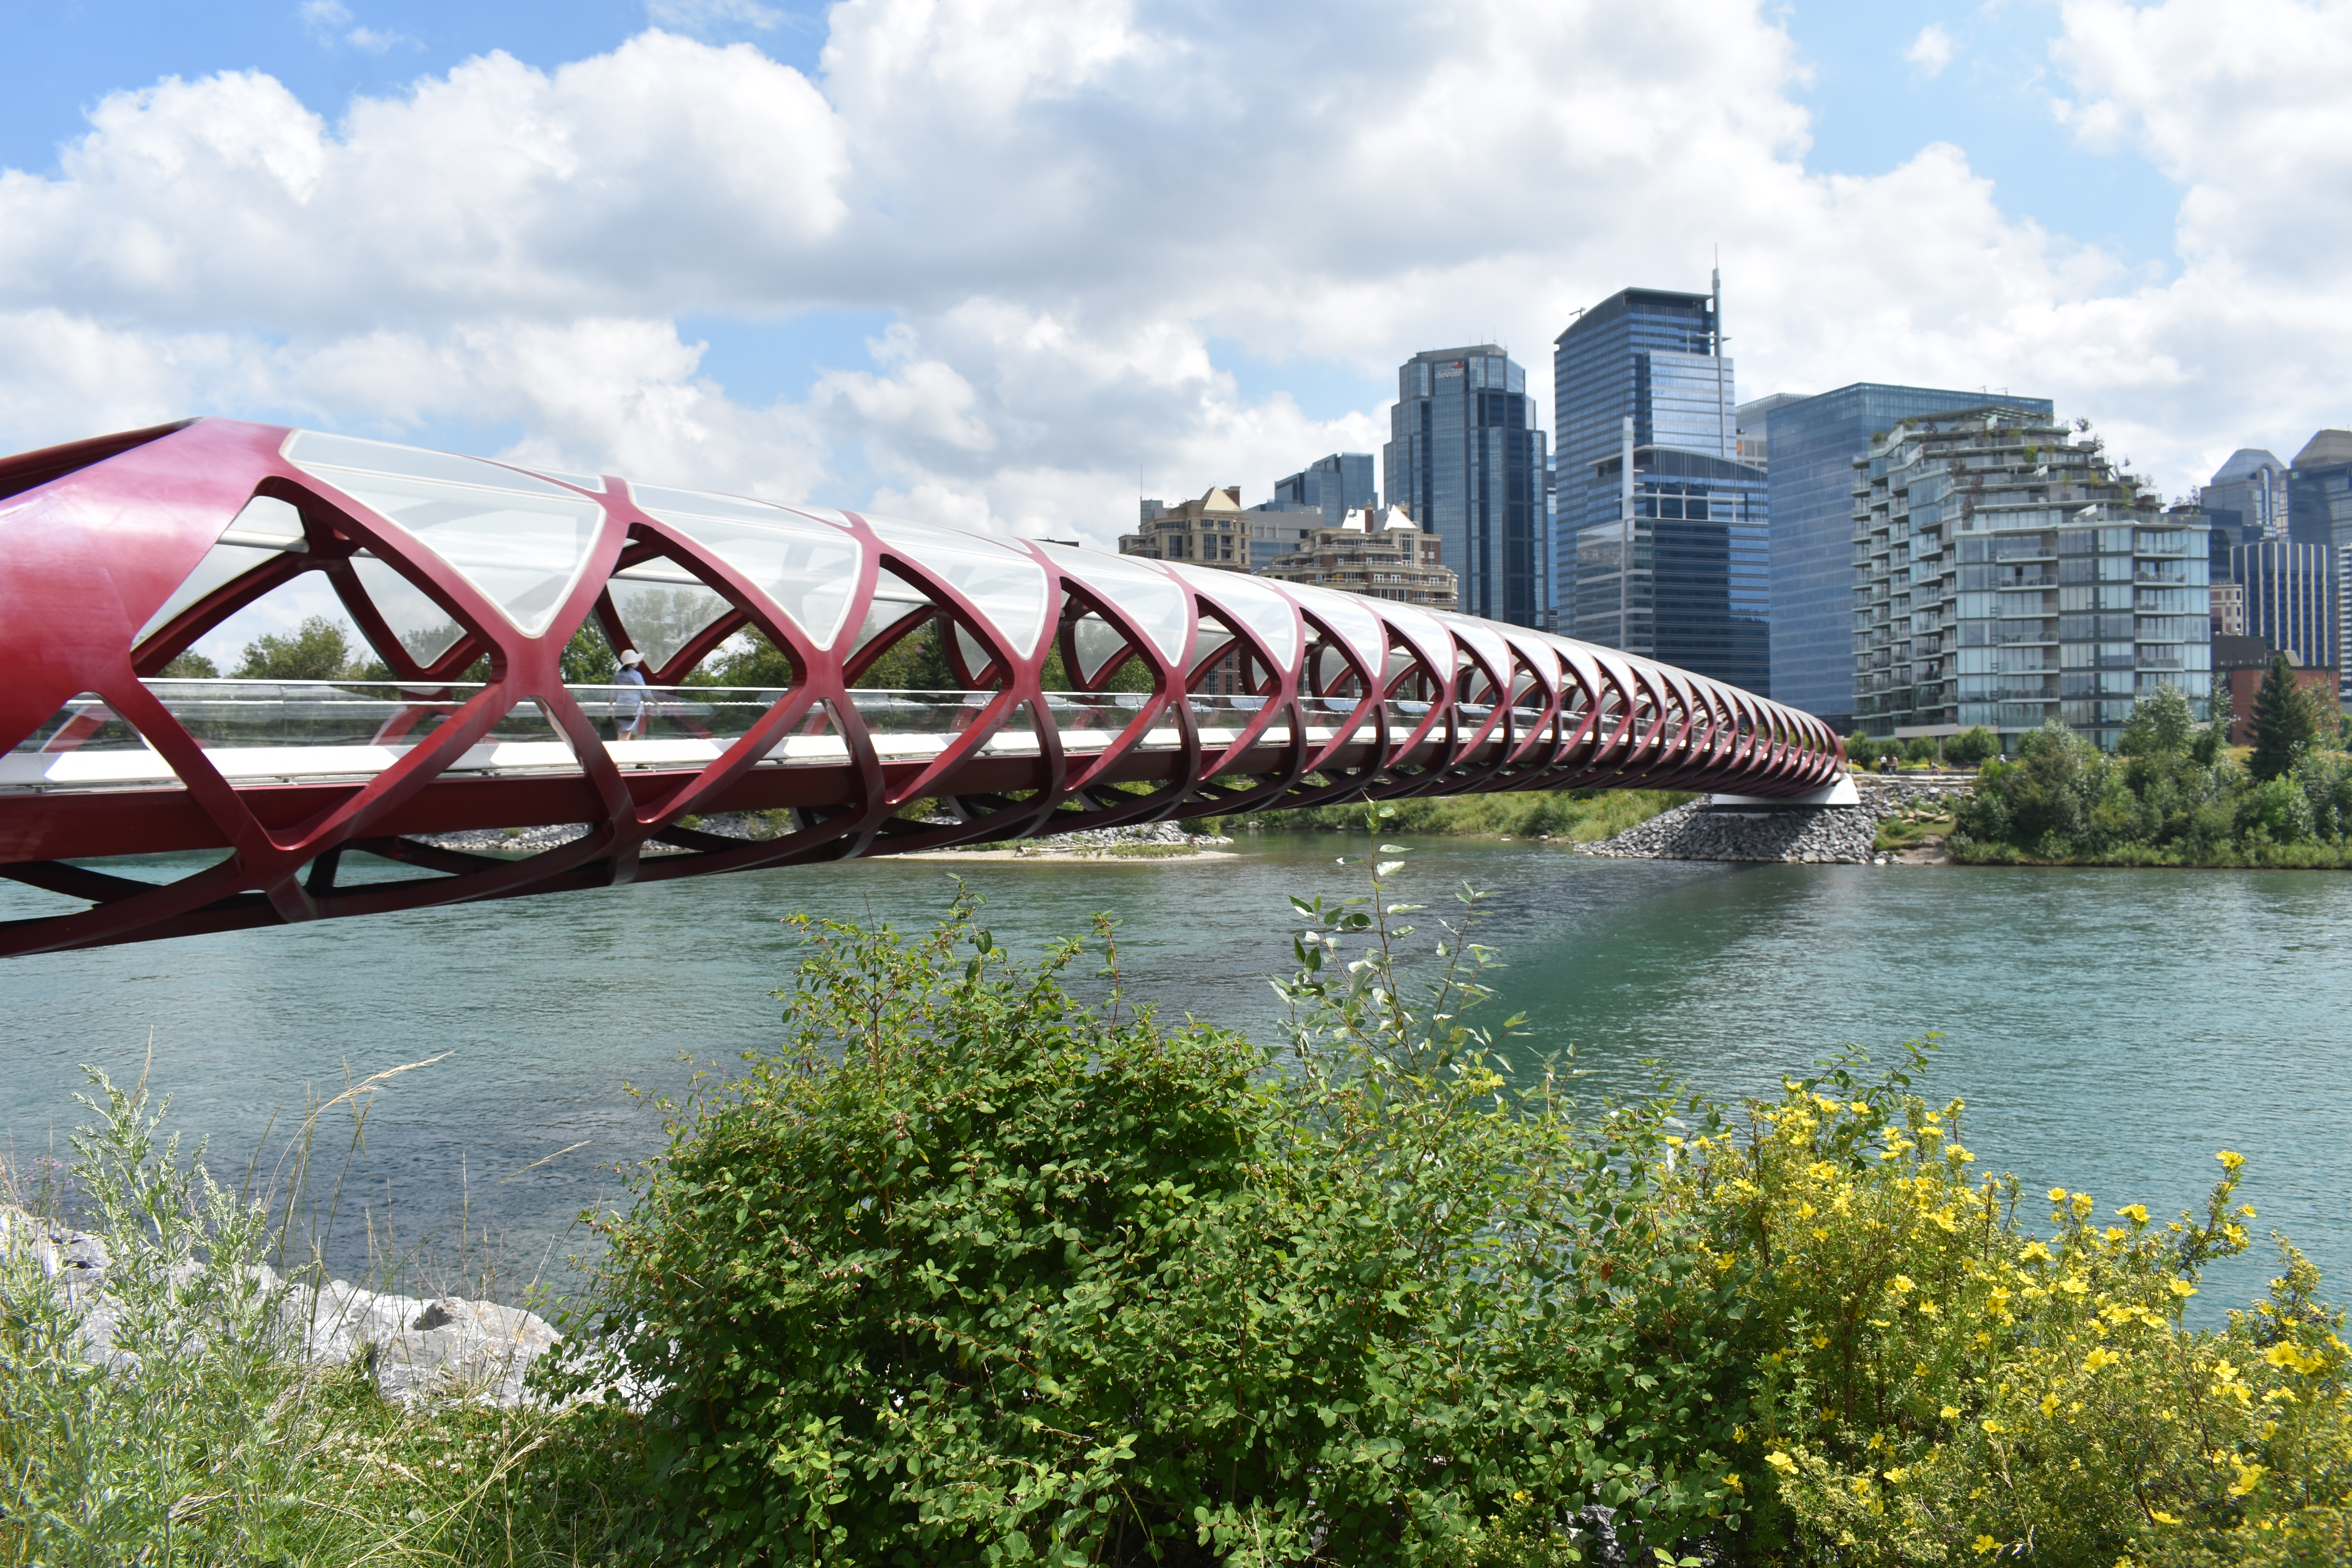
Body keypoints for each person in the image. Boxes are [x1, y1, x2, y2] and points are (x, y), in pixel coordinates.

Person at [612, 649, 650, 742]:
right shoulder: (636, 675)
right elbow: (646, 692)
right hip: (632, 707)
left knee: (633, 733)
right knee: (626, 734)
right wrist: (657, 704)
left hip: (620, 706)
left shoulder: (618, 674)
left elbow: (613, 692)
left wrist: (610, 705)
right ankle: (618, 754)